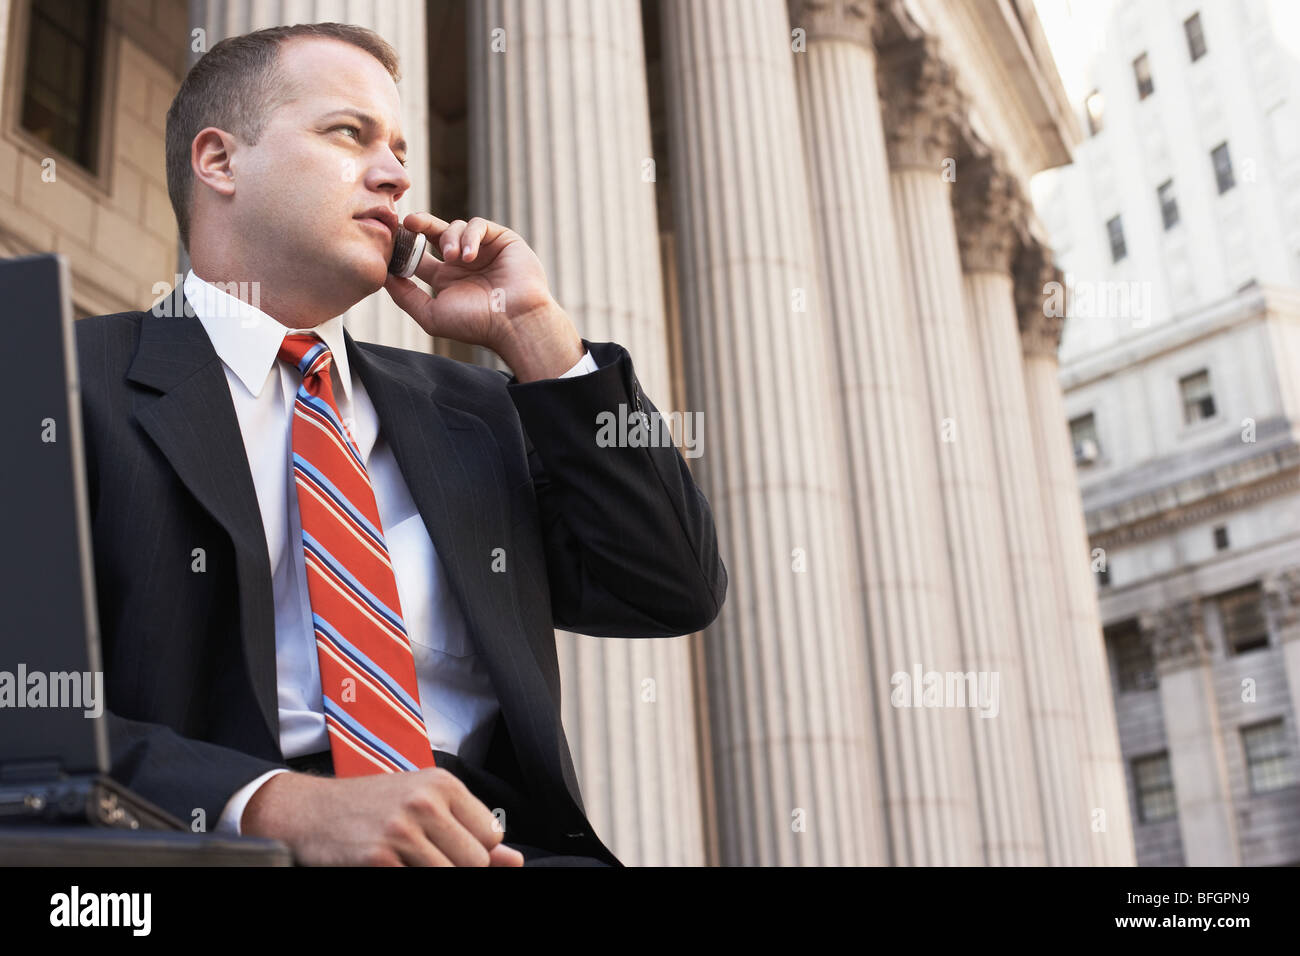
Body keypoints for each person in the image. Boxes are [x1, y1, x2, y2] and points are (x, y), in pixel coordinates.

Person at [76, 22, 726, 867]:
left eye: (401, 147)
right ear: (218, 161)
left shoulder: (477, 412)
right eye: (349, 134)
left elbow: (669, 586)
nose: (396, 175)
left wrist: (537, 338)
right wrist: (270, 808)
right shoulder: (58, 379)